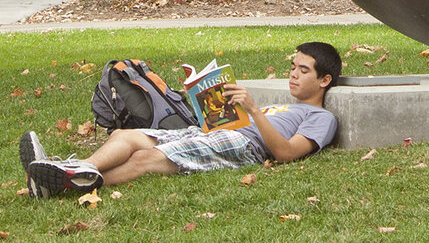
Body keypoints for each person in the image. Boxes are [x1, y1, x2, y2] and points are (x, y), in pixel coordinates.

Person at [19, 41, 342, 197]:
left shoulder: (320, 117)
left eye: (303, 70)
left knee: (147, 157)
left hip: (244, 146)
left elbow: (285, 153)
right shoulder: (284, 106)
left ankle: (64, 184)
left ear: (324, 80)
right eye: (292, 68)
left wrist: (254, 111)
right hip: (218, 133)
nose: (293, 76)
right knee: (125, 137)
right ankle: (78, 169)